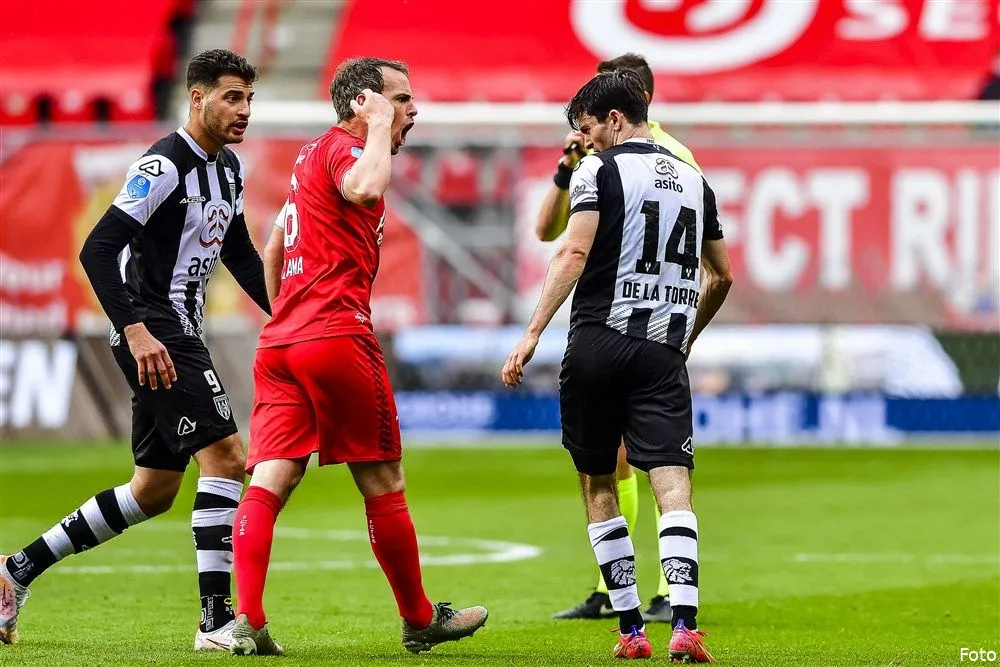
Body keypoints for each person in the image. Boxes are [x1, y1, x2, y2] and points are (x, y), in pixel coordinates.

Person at [0, 49, 270, 651]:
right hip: (157, 331)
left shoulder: (228, 168)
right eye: (232, 97)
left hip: (178, 333)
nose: (244, 110)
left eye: (249, 98)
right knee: (227, 458)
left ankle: (14, 572)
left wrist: (289, 313)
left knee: (153, 490)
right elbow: (97, 249)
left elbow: (240, 254)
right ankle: (215, 622)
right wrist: (135, 330)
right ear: (197, 97)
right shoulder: (162, 164)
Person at [228, 57, 488, 656]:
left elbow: (274, 246)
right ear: (363, 103)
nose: (411, 110)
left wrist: (287, 315)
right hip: (336, 336)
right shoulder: (350, 150)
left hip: (283, 343)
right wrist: (375, 126)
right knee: (384, 480)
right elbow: (365, 186)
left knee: (270, 480)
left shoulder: (310, 157)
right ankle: (419, 619)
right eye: (400, 98)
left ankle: (248, 621)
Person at [501, 70, 732, 662]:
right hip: (662, 353)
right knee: (672, 484)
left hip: (599, 342)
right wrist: (686, 337)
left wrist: (531, 332)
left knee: (599, 480)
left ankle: (630, 631)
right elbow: (722, 275)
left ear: (614, 118)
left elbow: (573, 248)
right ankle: (685, 625)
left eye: (589, 128)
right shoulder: (695, 179)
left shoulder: (598, 172)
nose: (587, 140)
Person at [539, 53, 702, 624]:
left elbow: (567, 246)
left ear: (622, 108)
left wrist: (532, 332)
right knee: (655, 468)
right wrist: (566, 167)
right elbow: (548, 228)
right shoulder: (668, 165)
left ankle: (648, 600)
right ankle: (652, 602)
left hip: (617, 329)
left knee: (616, 468)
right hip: (659, 339)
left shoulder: (629, 162)